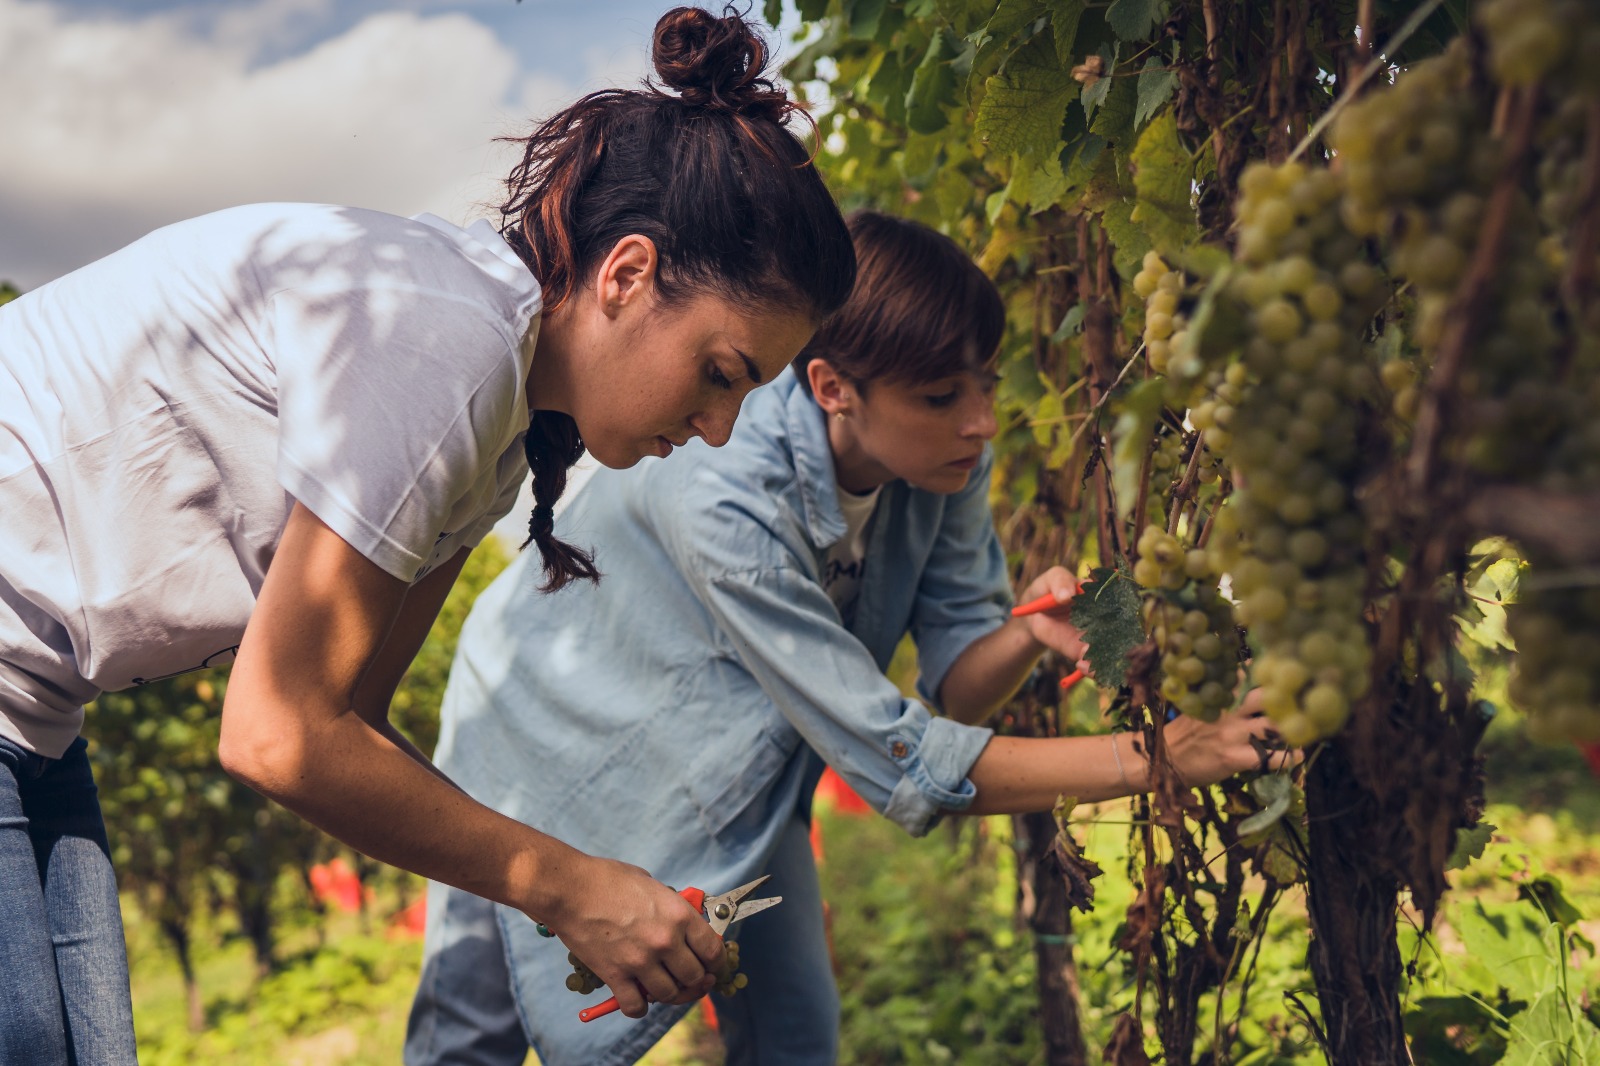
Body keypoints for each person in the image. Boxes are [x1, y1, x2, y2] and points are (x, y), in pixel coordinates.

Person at [0, 8, 856, 1063]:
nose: (719, 427)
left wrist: (586, 891)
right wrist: (567, 884)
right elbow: (275, 734)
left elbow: (345, 722)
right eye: (719, 373)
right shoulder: (436, 335)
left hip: (36, 717)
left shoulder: (498, 438)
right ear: (627, 275)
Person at [405, 212, 1280, 1066]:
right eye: (943, 397)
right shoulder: (724, 491)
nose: (980, 421)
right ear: (832, 389)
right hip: (536, 734)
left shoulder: (938, 459)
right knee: (472, 1032)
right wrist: (1163, 753)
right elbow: (902, 759)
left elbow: (959, 687)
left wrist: (1026, 639)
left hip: (735, 763)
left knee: (795, 1029)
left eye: (986, 384)